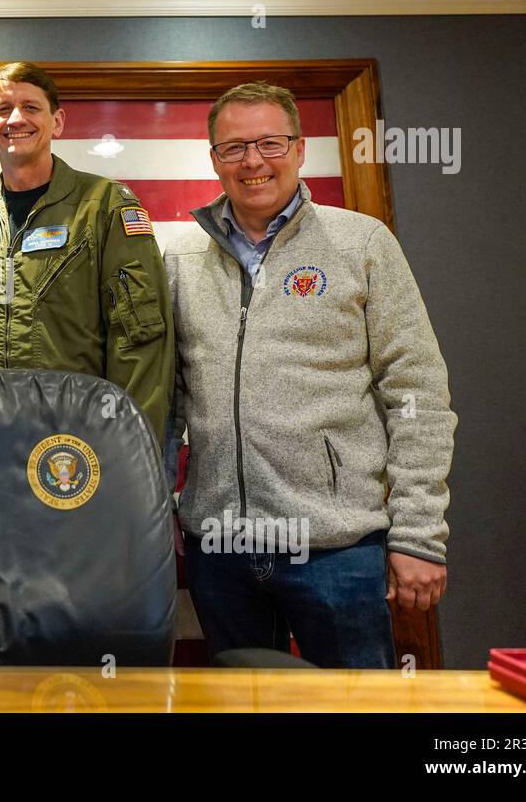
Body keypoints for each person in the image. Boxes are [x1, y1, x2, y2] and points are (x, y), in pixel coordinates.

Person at [165, 81, 456, 668]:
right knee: (241, 707)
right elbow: (169, 398)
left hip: (336, 547)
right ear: (214, 159)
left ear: (299, 150)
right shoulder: (180, 255)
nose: (253, 161)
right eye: (234, 147)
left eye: (270, 143)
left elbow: (417, 390)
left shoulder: (361, 243)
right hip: (219, 546)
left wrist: (419, 534)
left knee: (355, 708)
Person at [0, 61, 173, 443]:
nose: (16, 118)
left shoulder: (104, 206)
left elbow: (140, 338)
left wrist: (130, 449)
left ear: (58, 121)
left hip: (78, 443)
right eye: (3, 109)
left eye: (31, 107)